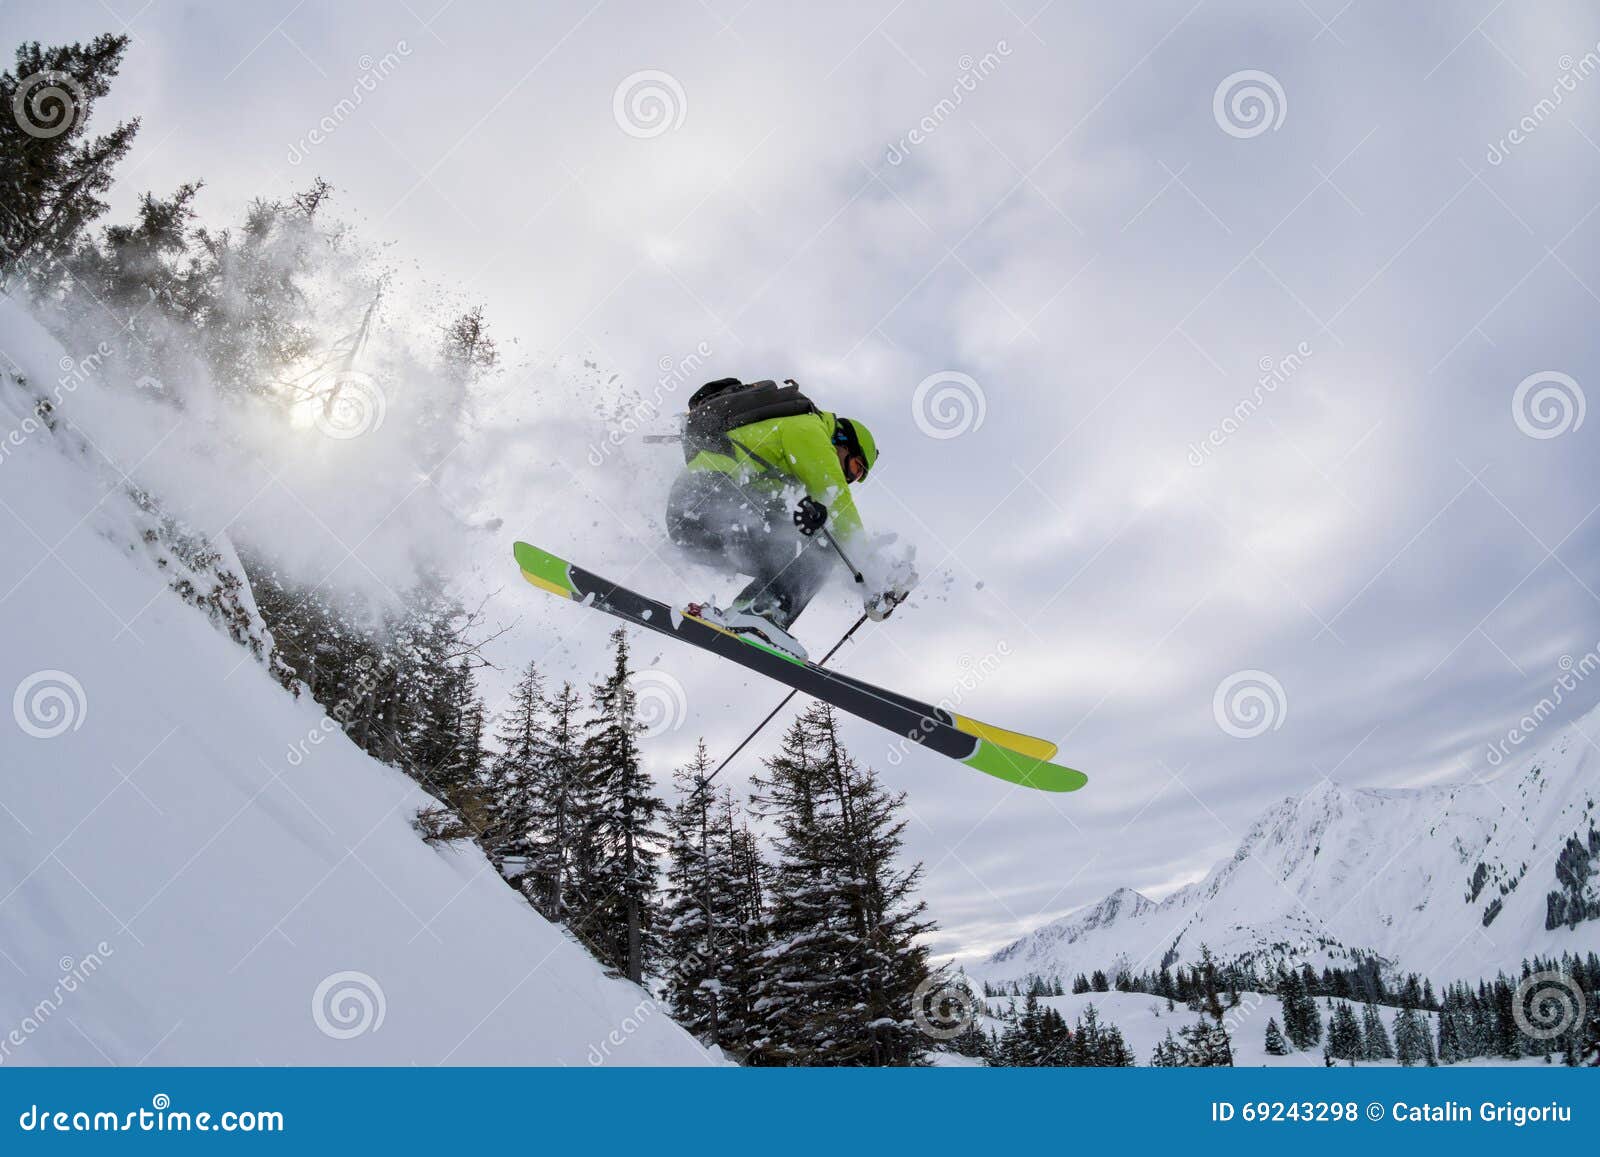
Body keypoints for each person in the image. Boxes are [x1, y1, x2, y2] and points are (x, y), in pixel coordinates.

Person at [664, 378, 908, 660]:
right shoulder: (808, 428)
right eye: (854, 467)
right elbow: (838, 501)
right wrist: (872, 576)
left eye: (855, 478)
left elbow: (787, 508)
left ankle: (749, 613)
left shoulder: (777, 463)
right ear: (841, 440)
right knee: (820, 546)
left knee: (804, 532)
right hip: (713, 497)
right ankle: (758, 614)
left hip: (691, 522)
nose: (848, 478)